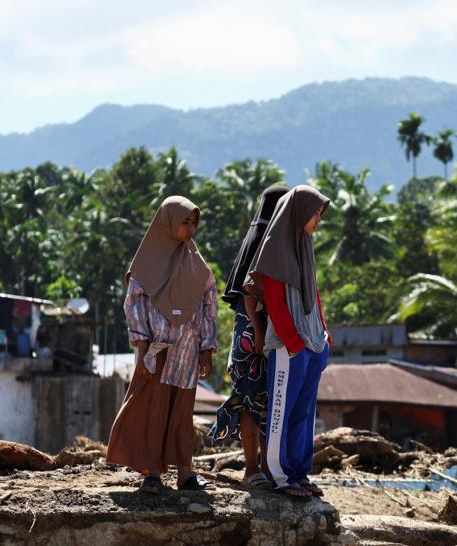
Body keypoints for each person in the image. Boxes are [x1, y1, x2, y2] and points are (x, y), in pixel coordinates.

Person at [107, 196, 217, 494]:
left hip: (187, 354)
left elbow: (209, 305)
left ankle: (185, 473)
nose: (190, 228)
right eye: (185, 222)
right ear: (167, 223)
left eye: (194, 223)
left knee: (182, 414)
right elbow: (134, 306)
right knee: (153, 412)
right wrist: (142, 351)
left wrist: (207, 349)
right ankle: (151, 473)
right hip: (158, 352)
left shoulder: (197, 264)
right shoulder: (146, 264)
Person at [240, 185, 332, 499]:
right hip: (287, 345)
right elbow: (276, 302)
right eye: (316, 212)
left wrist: (324, 334)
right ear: (299, 212)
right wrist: (292, 343)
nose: (319, 219)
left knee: (305, 413)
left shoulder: (304, 246)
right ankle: (279, 476)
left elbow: (314, 295)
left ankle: (299, 472)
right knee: (281, 411)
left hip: (312, 343)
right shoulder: (277, 248)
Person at [207, 185, 289, 490]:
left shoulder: (257, 238)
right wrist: (257, 330)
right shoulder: (266, 242)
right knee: (254, 402)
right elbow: (249, 291)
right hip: (255, 335)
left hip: (253, 333)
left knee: (258, 401)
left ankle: (263, 469)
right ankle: (255, 469)